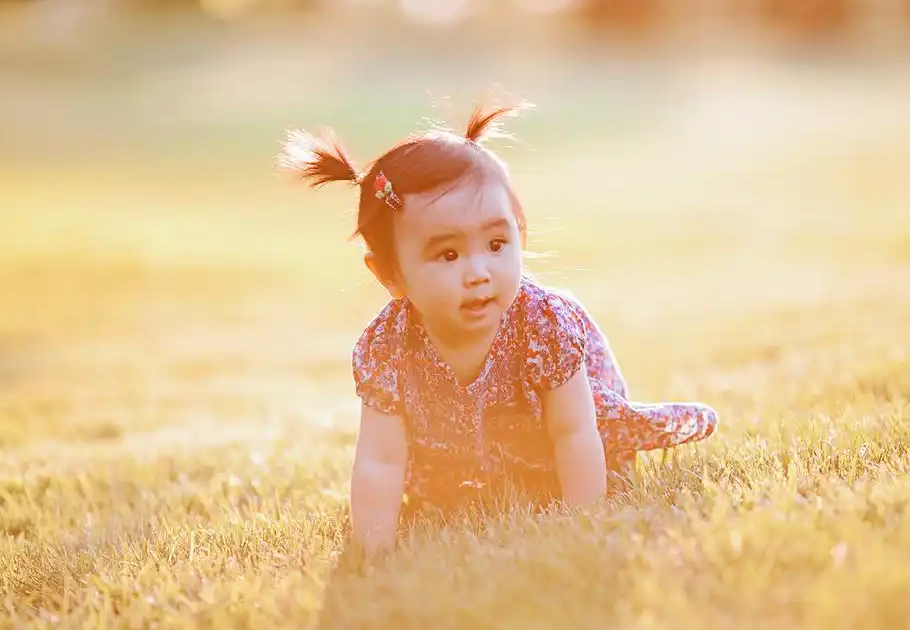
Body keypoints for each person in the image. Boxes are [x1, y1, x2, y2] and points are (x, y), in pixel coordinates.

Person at [278, 101, 718, 556]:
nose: (478, 272)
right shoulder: (387, 347)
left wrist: (584, 522)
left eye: (495, 244)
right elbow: (380, 459)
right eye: (448, 255)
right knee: (455, 501)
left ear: (520, 236)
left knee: (570, 469)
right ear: (391, 276)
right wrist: (372, 550)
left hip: (561, 441)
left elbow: (574, 432)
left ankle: (545, 486)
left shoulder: (542, 323)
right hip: (464, 458)